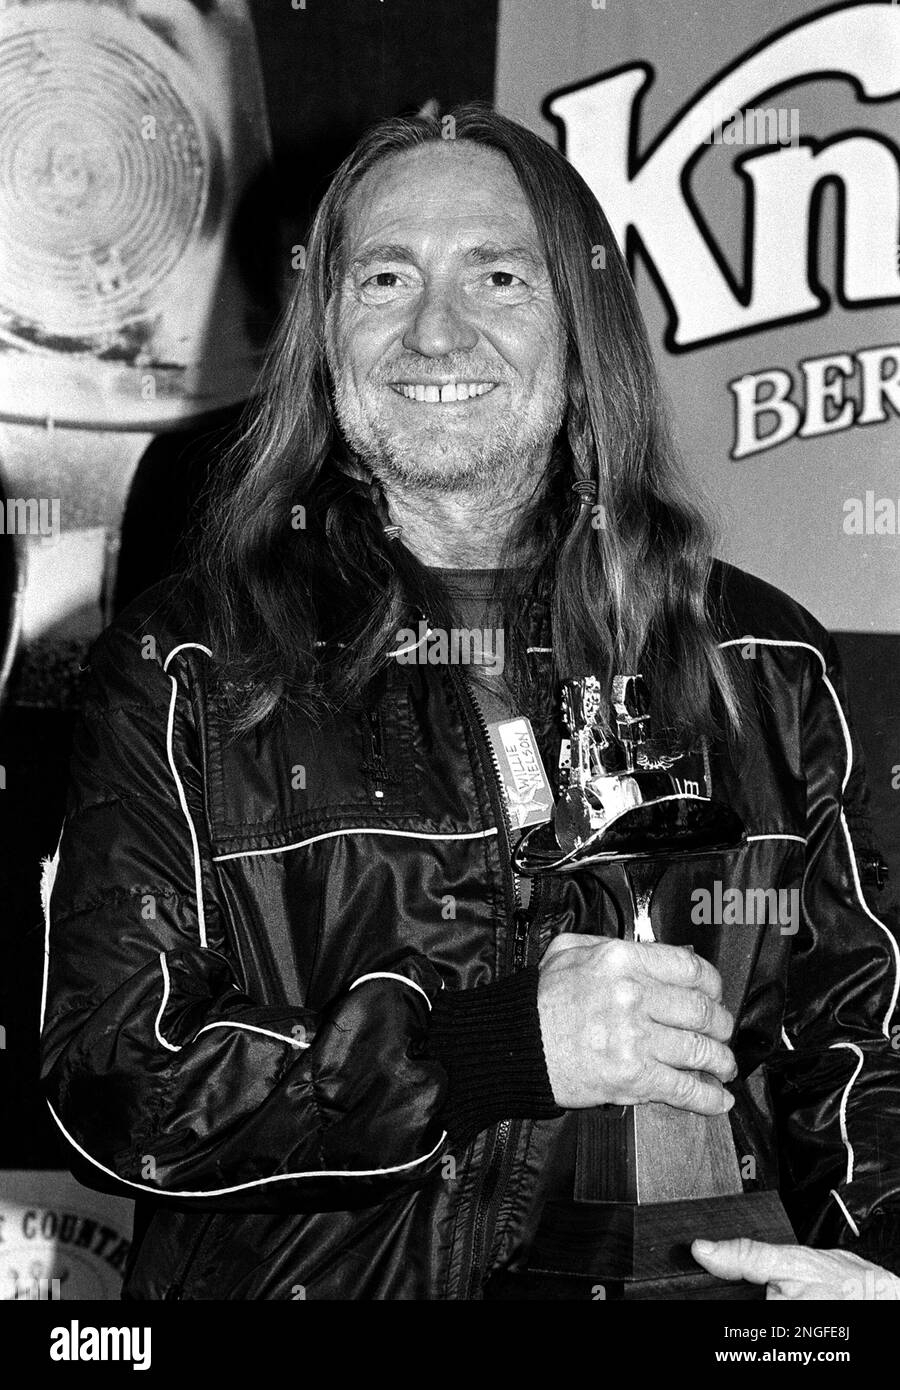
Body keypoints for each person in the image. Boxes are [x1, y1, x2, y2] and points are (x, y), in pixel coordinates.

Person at [40, 104, 900, 1301]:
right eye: (384, 277)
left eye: (499, 274)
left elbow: (861, 1047)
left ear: (580, 323)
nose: (436, 333)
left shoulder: (761, 657)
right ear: (323, 333)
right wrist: (492, 1053)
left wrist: (882, 1262)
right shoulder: (189, 661)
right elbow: (117, 1076)